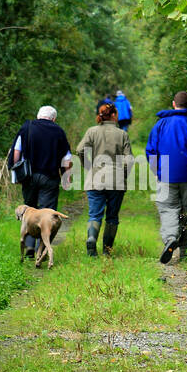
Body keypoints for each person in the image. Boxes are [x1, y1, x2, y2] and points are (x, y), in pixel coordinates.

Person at [145, 89, 187, 265]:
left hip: (166, 172)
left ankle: (170, 238)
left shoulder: (161, 125)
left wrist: (157, 171)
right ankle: (186, 250)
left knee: (167, 208)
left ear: (174, 105)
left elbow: (151, 150)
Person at [8, 106, 72, 258]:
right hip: (49, 177)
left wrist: (16, 172)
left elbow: (16, 151)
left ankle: (29, 245)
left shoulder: (27, 127)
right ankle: (40, 251)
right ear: (53, 119)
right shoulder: (58, 131)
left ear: (38, 116)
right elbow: (67, 158)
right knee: (46, 214)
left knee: (29, 210)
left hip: (28, 176)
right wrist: (66, 177)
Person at [74, 101, 134, 257]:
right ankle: (107, 251)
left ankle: (92, 239)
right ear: (114, 115)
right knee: (112, 216)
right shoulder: (122, 134)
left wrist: (87, 166)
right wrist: (124, 174)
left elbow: (80, 149)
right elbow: (129, 160)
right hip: (116, 181)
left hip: (95, 179)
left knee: (94, 214)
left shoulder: (92, 131)